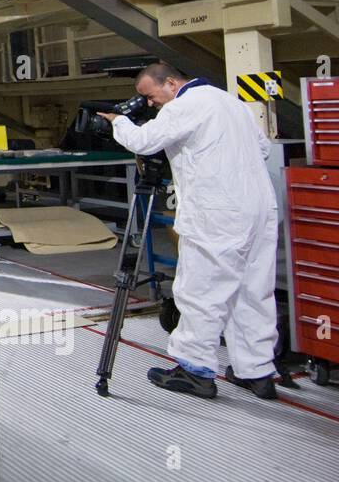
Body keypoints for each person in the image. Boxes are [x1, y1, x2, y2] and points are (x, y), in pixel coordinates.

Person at [104, 61, 279, 400]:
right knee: (253, 290)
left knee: (200, 291)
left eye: (150, 97)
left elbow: (144, 141)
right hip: (258, 209)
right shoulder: (230, 102)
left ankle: (195, 371)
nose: (151, 105)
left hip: (216, 214)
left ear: (171, 83)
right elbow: (262, 148)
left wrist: (119, 121)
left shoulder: (185, 105)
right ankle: (256, 372)